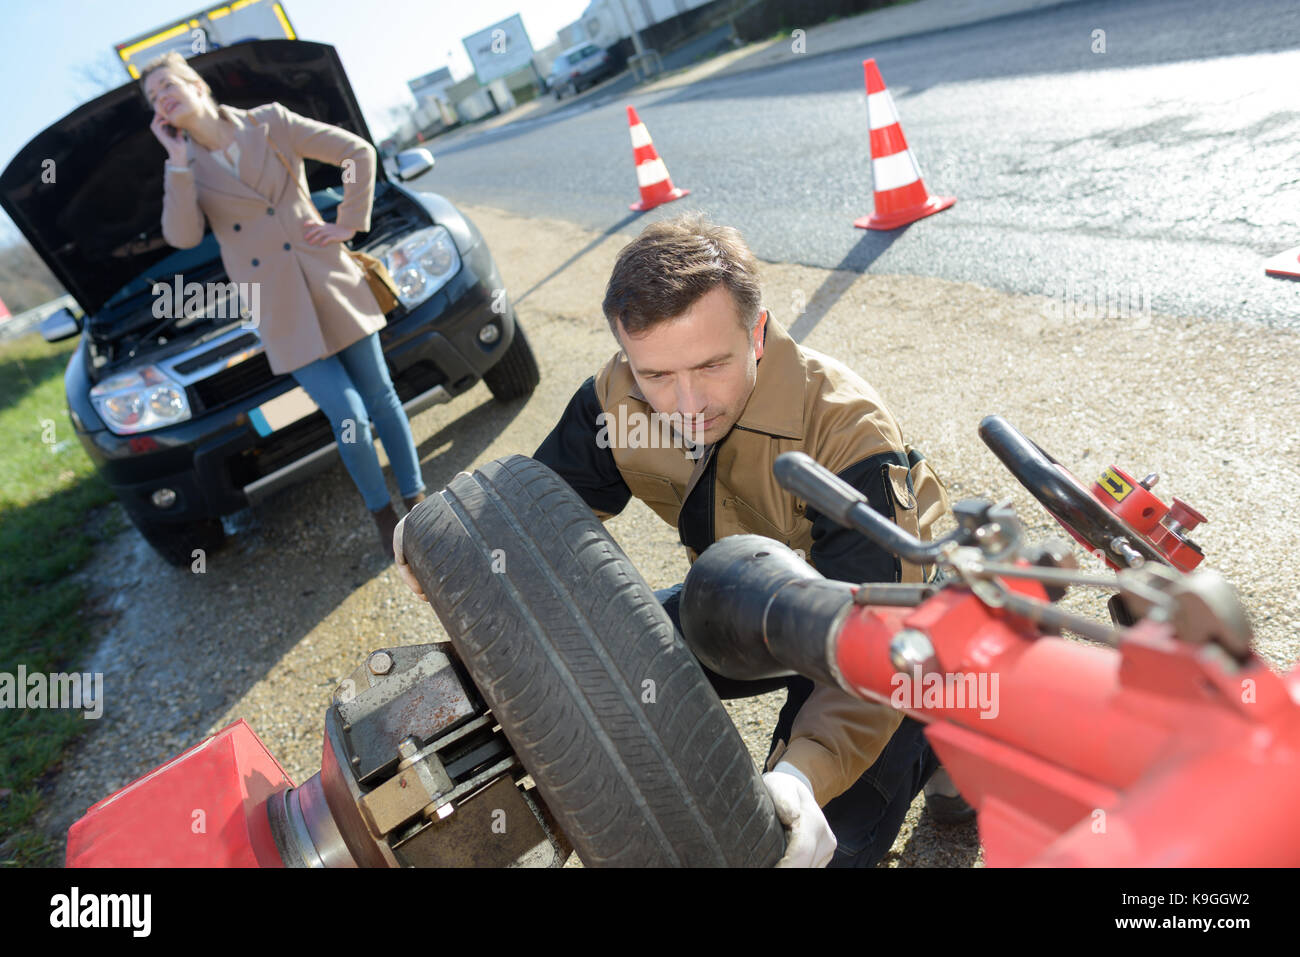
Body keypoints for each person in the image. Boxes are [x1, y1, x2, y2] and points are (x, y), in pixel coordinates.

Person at [394, 213, 965, 865]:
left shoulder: (848, 438)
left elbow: (875, 646)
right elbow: (528, 523)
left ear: (757, 333)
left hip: (883, 619)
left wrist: (801, 777)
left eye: (712, 363)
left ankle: (954, 762)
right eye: (657, 375)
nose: (687, 402)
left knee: (814, 845)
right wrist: (446, 537)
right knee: (586, 676)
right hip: (738, 603)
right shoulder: (619, 402)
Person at [143, 51, 425, 557]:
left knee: (381, 396)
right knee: (350, 415)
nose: (162, 96)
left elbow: (356, 151)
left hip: (329, 277)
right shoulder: (186, 169)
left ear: (197, 86)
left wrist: (348, 219)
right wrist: (178, 163)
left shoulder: (268, 122)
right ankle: (382, 512)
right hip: (277, 306)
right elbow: (182, 237)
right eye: (154, 96)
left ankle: (417, 500)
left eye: (168, 84)